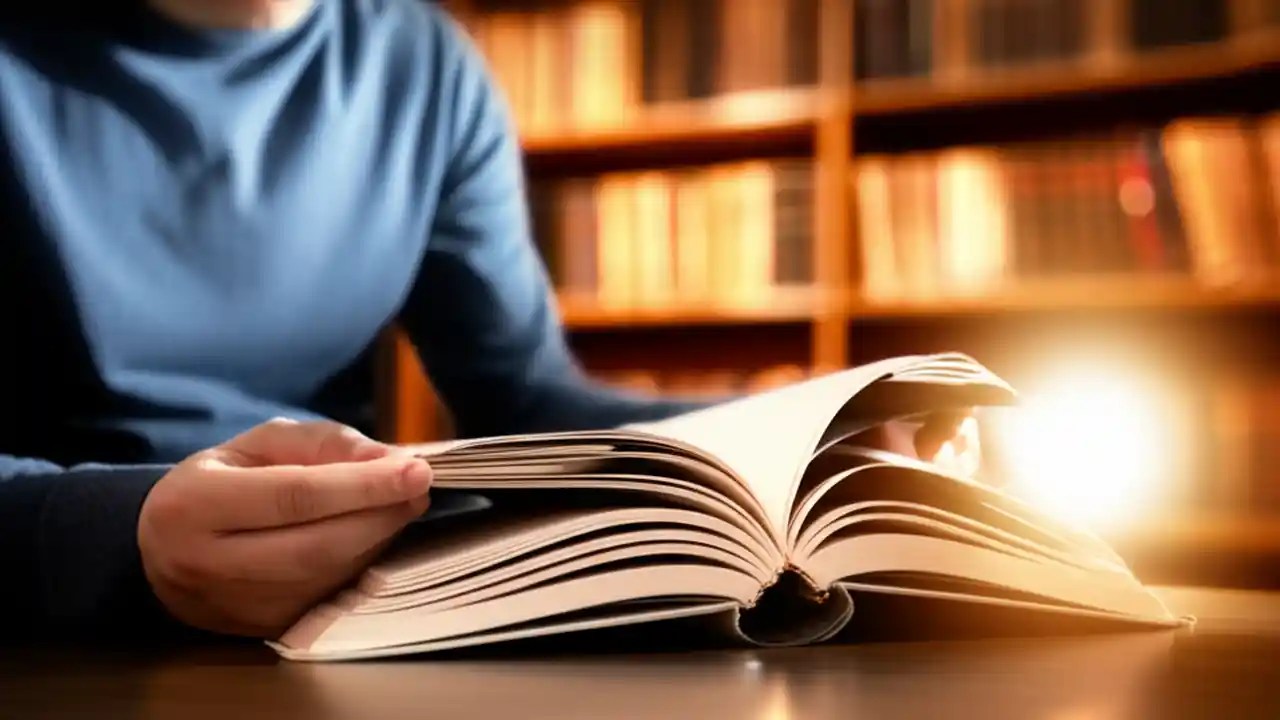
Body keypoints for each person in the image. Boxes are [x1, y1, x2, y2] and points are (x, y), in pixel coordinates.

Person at [0, 0, 980, 646]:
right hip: (51, 629)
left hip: (343, 617)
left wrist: (816, 433)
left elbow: (522, 395)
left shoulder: (420, 64)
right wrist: (118, 533)